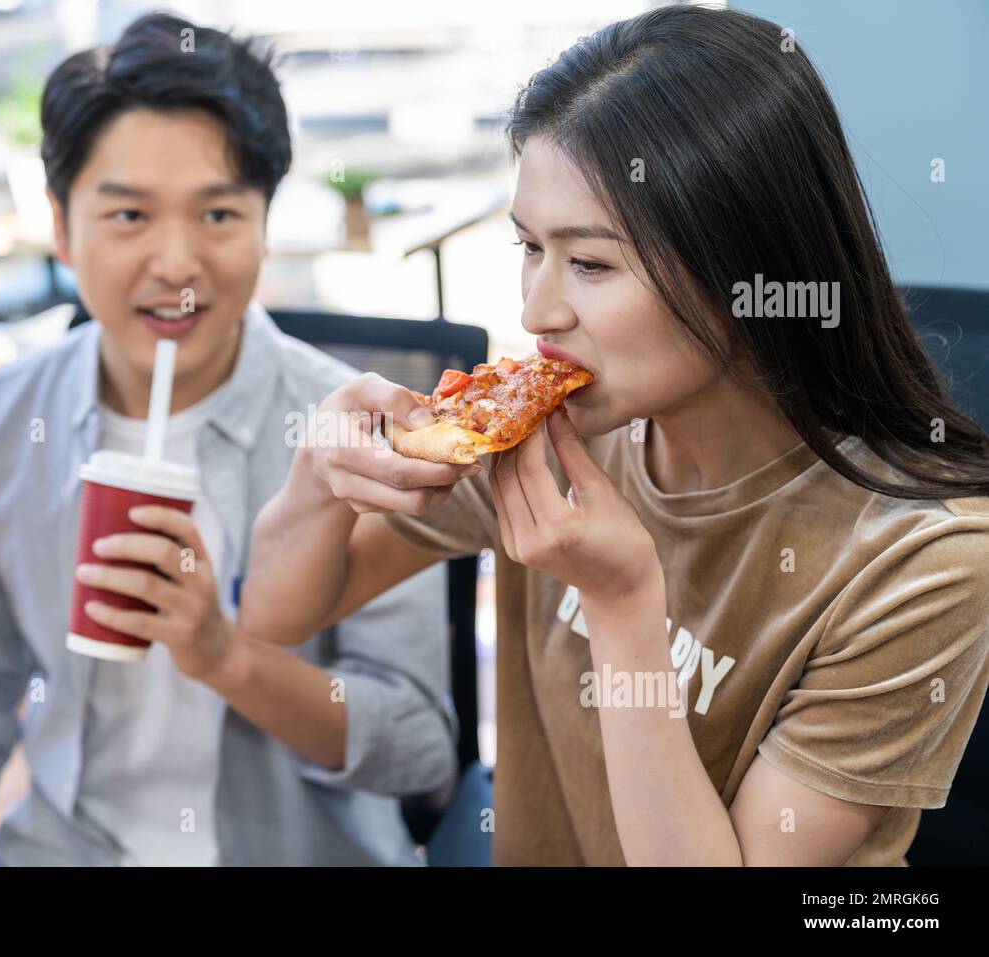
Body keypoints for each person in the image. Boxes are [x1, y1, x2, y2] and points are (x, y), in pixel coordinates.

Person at [240, 5, 989, 866]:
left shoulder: (925, 560)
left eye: (591, 263)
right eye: (529, 247)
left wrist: (625, 603)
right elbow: (271, 614)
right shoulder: (545, 432)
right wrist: (318, 478)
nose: (535, 310)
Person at [0, 13, 454, 867]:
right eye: (127, 215)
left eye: (219, 214)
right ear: (60, 224)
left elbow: (417, 747)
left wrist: (223, 653)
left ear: (265, 222)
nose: (176, 263)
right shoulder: (5, 417)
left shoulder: (353, 434)